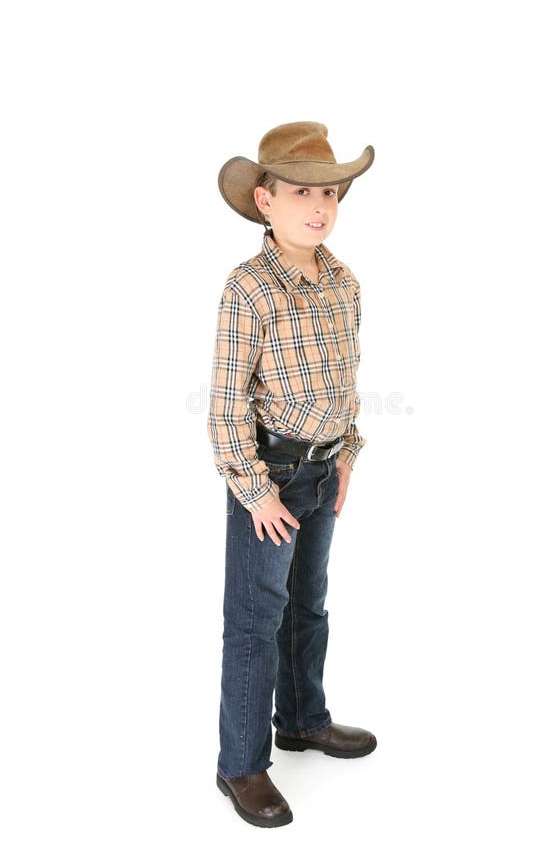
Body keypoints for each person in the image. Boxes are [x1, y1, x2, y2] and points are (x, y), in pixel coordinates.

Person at [207, 121, 376, 828]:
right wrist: (255, 489)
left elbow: (346, 376)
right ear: (265, 201)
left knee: (309, 604)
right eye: (302, 191)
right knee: (254, 620)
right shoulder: (250, 287)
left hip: (320, 469)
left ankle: (303, 719)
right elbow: (225, 402)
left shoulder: (342, 279)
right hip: (270, 475)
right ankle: (241, 766)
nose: (320, 205)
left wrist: (346, 451)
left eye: (330, 192)